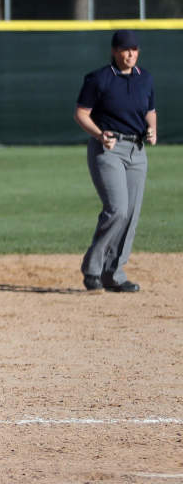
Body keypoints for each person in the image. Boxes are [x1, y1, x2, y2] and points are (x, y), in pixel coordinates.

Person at [74, 29, 157, 293]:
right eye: (124, 49)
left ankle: (113, 272)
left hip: (137, 150)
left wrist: (152, 129)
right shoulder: (99, 79)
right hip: (108, 148)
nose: (130, 53)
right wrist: (99, 134)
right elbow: (81, 114)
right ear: (114, 51)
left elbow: (150, 111)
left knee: (131, 214)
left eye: (134, 49)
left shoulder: (145, 79)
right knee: (117, 209)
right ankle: (93, 268)